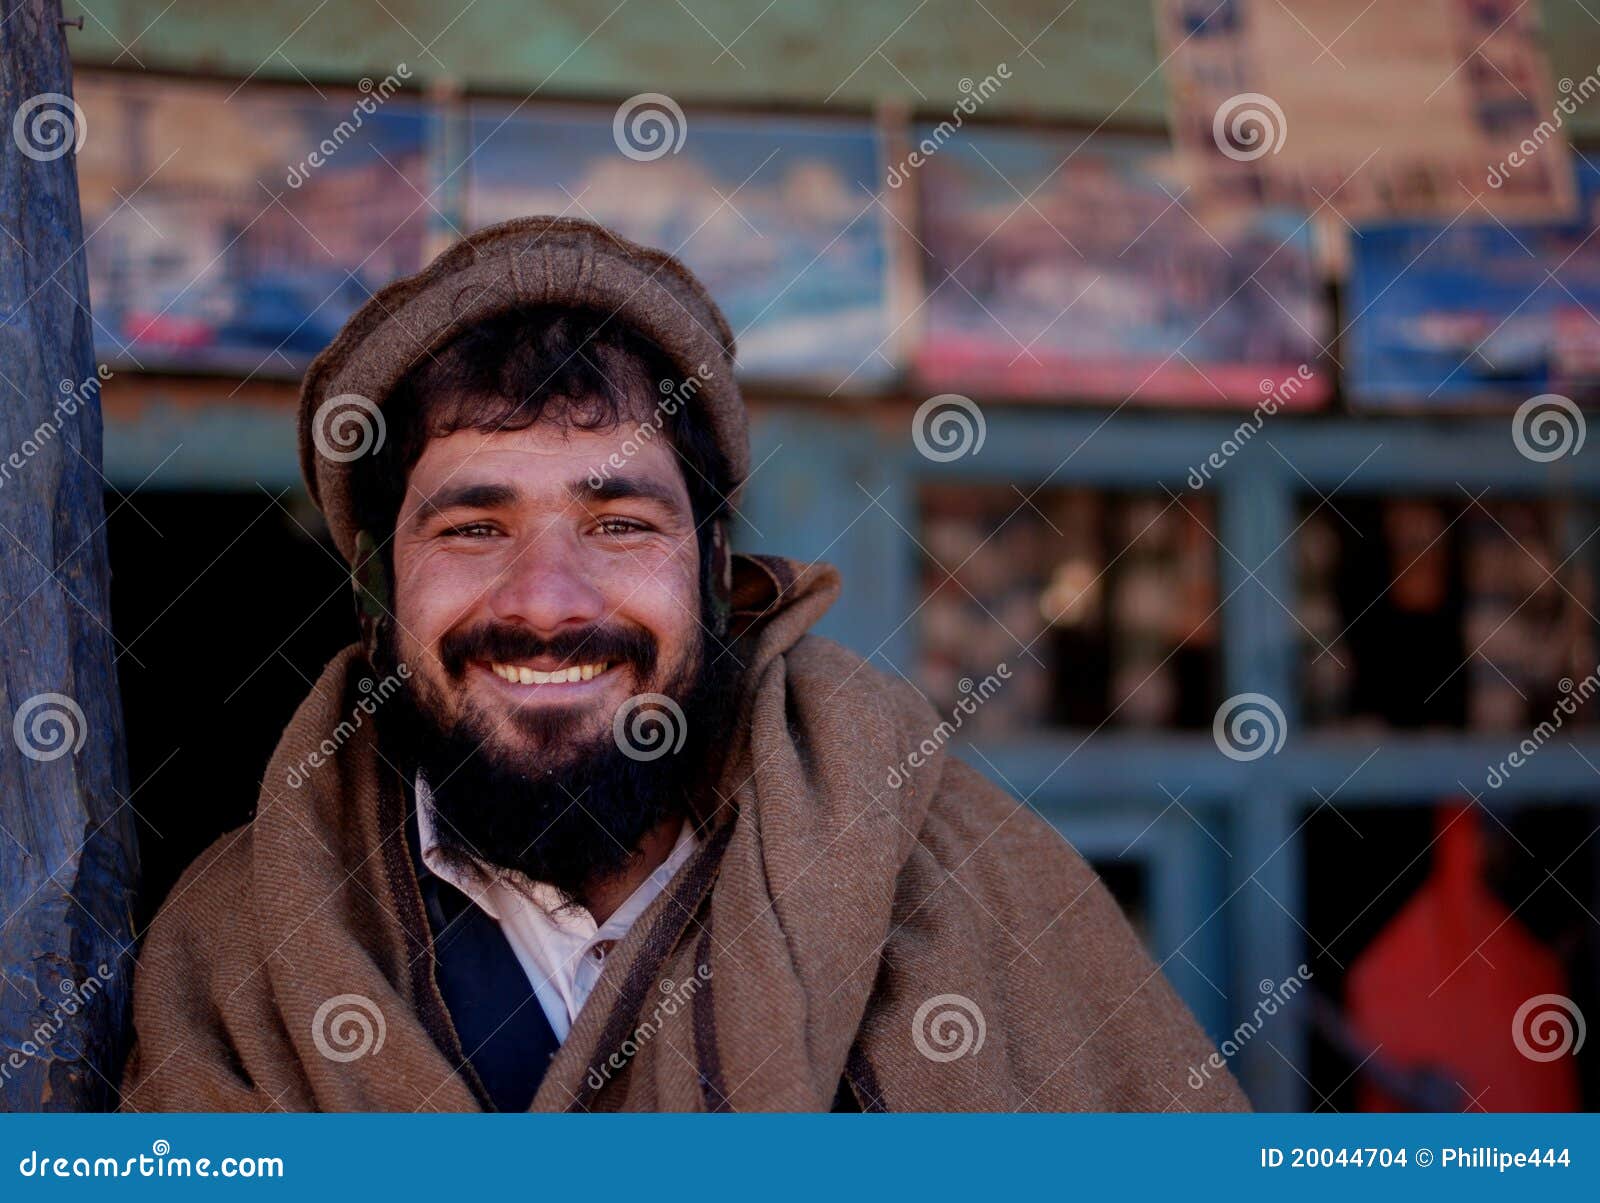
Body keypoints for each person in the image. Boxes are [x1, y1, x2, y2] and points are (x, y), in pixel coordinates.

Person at [120, 217, 1247, 1113]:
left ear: (713, 567)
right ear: (378, 587)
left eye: (618, 524)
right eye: (473, 528)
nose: (547, 604)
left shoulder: (961, 871)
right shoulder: (235, 950)